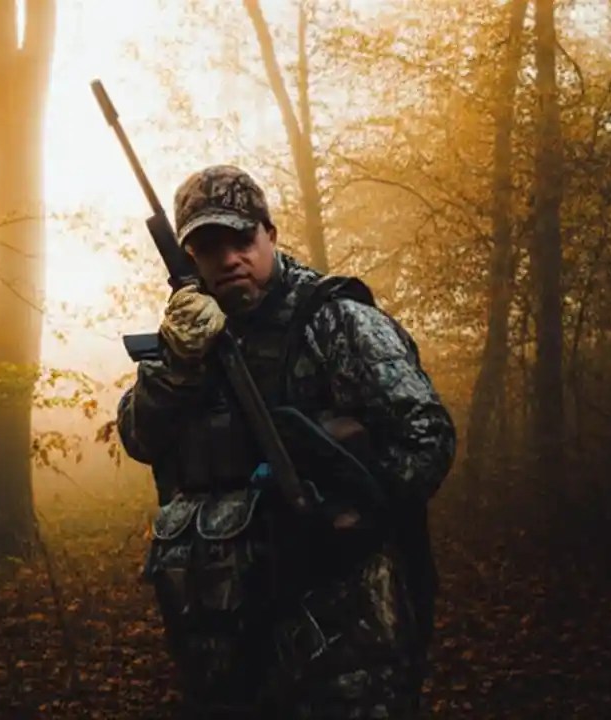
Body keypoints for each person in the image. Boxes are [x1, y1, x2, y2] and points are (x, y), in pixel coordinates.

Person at [116, 164, 455, 719]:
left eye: (242, 239)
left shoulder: (337, 322)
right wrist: (177, 367)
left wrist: (353, 517)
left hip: (345, 624)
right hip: (226, 636)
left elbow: (427, 435)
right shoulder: (188, 337)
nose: (228, 259)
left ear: (269, 235)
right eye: (207, 246)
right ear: (190, 259)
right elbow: (139, 437)